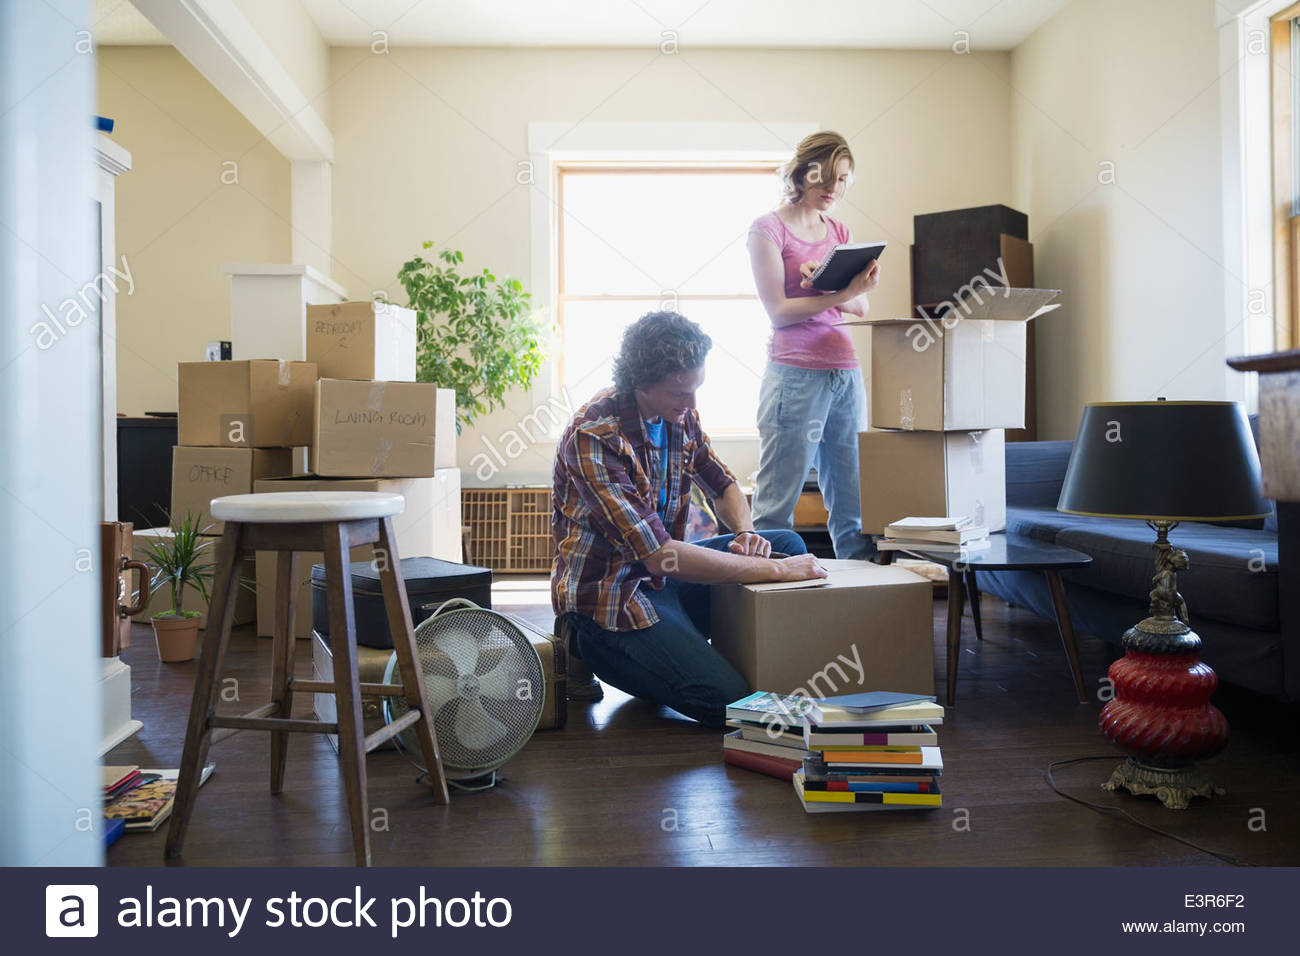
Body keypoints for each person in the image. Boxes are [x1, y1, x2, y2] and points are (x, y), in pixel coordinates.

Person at [551, 310, 827, 726]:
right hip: (613, 596)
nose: (692, 404)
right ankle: (581, 646)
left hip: (665, 578)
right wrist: (774, 571)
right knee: (727, 700)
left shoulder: (677, 414)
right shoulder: (593, 437)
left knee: (785, 543)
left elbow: (723, 484)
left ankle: (682, 649)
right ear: (640, 382)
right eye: (680, 394)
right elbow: (660, 556)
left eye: (696, 389)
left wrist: (747, 533)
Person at [747, 130, 880, 560]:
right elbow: (779, 312)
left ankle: (857, 600)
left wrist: (843, 286)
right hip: (795, 375)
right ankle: (770, 603)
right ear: (803, 173)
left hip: (846, 372)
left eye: (843, 180)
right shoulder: (767, 229)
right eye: (826, 178)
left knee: (853, 505)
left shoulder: (838, 230)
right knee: (775, 506)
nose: (833, 190)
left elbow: (860, 305)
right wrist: (836, 293)